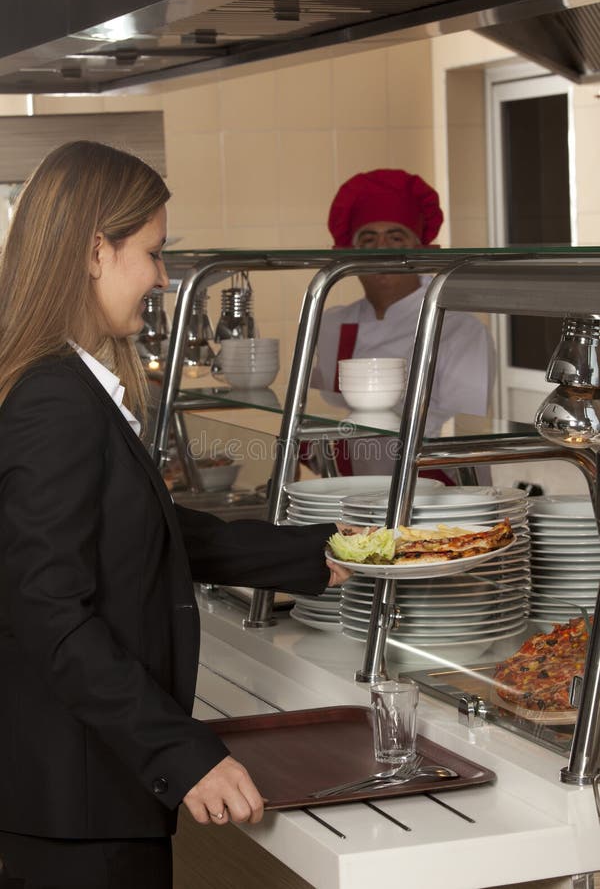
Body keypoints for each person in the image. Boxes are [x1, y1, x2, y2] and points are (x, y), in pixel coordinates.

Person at [0, 140, 349, 889]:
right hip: (78, 805)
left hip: (82, 792)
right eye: (154, 253)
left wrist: (323, 554)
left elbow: (152, 530)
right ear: (97, 251)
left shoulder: (65, 382)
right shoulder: (55, 398)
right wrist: (181, 751)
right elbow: (49, 612)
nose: (162, 277)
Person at [311, 168, 496, 477]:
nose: (383, 250)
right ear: (349, 255)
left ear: (420, 250)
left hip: (443, 496)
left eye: (396, 237)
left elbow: (461, 429)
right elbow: (326, 409)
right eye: (368, 240)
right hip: (354, 494)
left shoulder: (458, 327)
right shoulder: (334, 323)